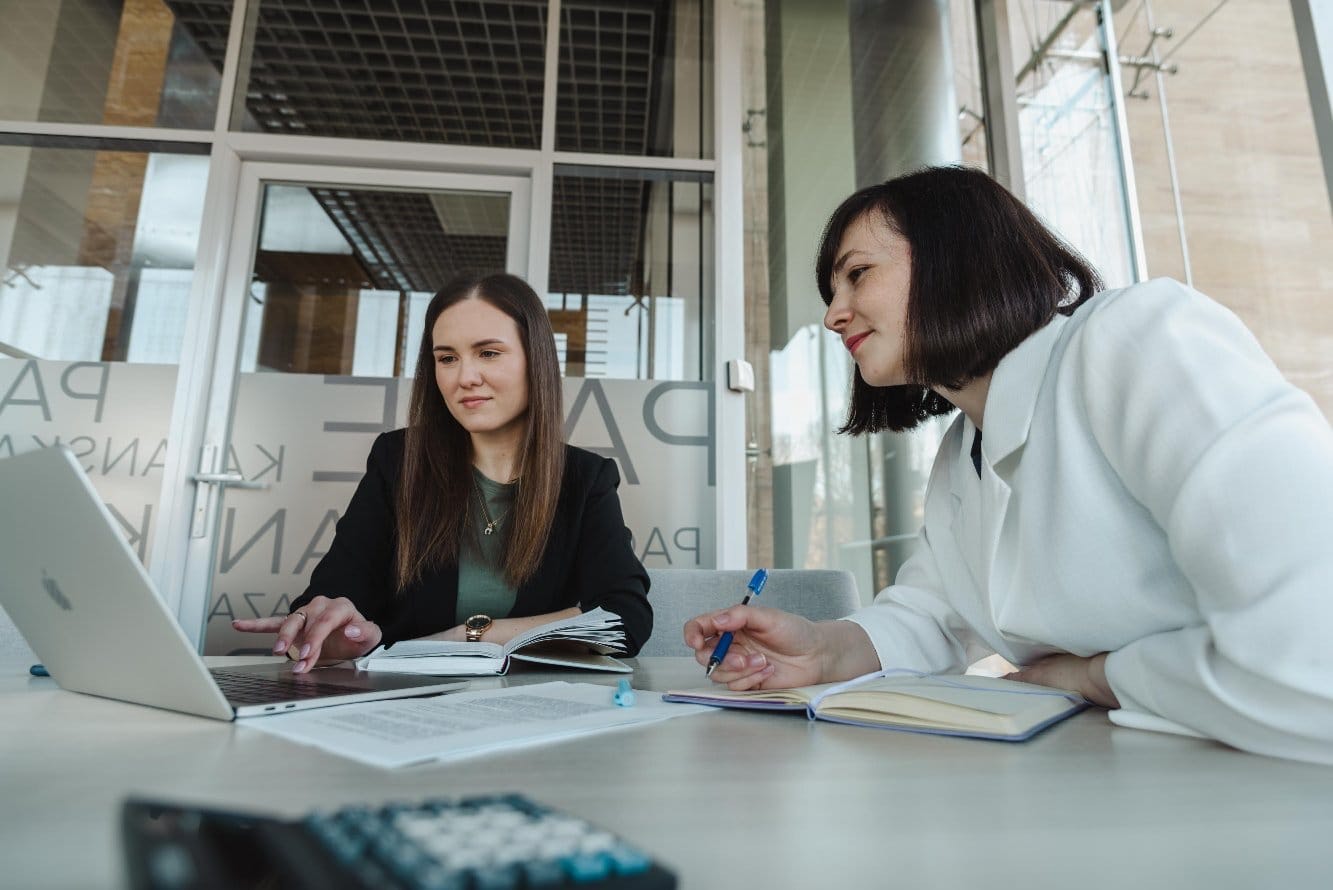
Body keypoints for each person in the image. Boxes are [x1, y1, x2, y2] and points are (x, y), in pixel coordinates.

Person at [685, 165, 1333, 764]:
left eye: (857, 274)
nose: (832, 315)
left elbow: (1312, 660)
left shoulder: (1137, 339)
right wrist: (819, 648)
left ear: (956, 259)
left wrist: (1094, 677)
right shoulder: (961, 455)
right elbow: (927, 619)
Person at [234, 272, 652, 669]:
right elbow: (338, 595)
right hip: (406, 710)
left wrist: (466, 636)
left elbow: (622, 620)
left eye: (488, 353)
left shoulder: (584, 478)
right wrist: (328, 633)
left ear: (535, 360)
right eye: (447, 358)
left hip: (535, 708)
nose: (465, 377)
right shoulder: (399, 460)